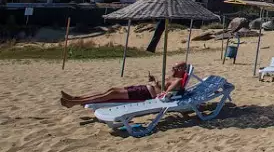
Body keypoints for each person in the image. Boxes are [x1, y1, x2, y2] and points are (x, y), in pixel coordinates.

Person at [61, 62, 189, 108]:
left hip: (145, 93)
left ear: (181, 69)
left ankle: (73, 103)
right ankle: (76, 98)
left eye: (175, 67)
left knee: (110, 95)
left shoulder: (177, 81)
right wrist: (154, 80)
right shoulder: (171, 77)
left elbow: (163, 94)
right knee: (110, 90)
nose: (172, 68)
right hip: (143, 88)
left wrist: (155, 84)